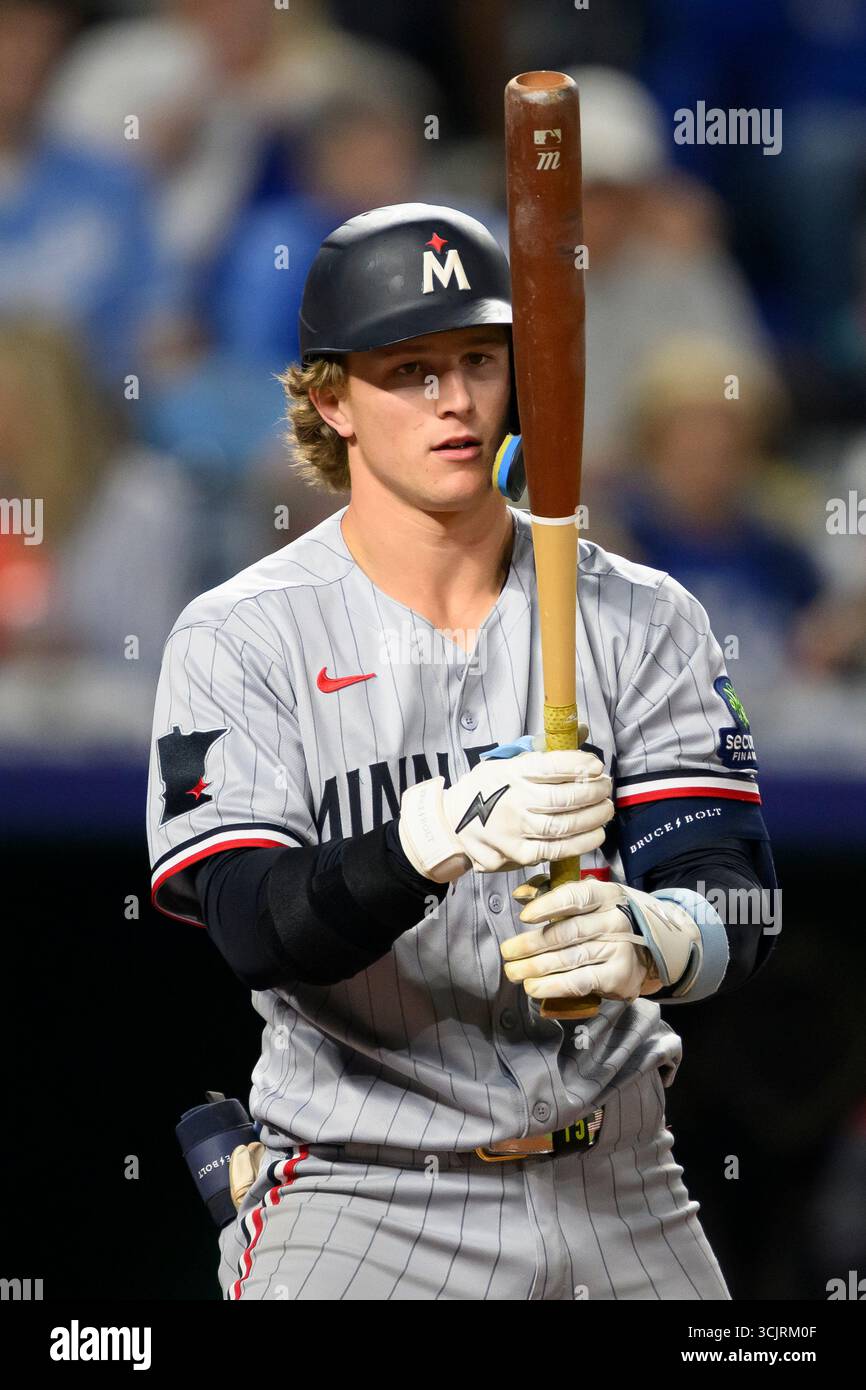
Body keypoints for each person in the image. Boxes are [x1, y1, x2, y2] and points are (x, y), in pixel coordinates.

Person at [146, 203, 779, 1301]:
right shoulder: (243, 631)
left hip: (623, 1181)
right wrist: (424, 838)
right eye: (411, 369)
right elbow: (253, 924)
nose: (453, 402)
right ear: (330, 397)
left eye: (479, 361)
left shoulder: (637, 615)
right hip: (367, 1189)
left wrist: (656, 937)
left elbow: (738, 890)